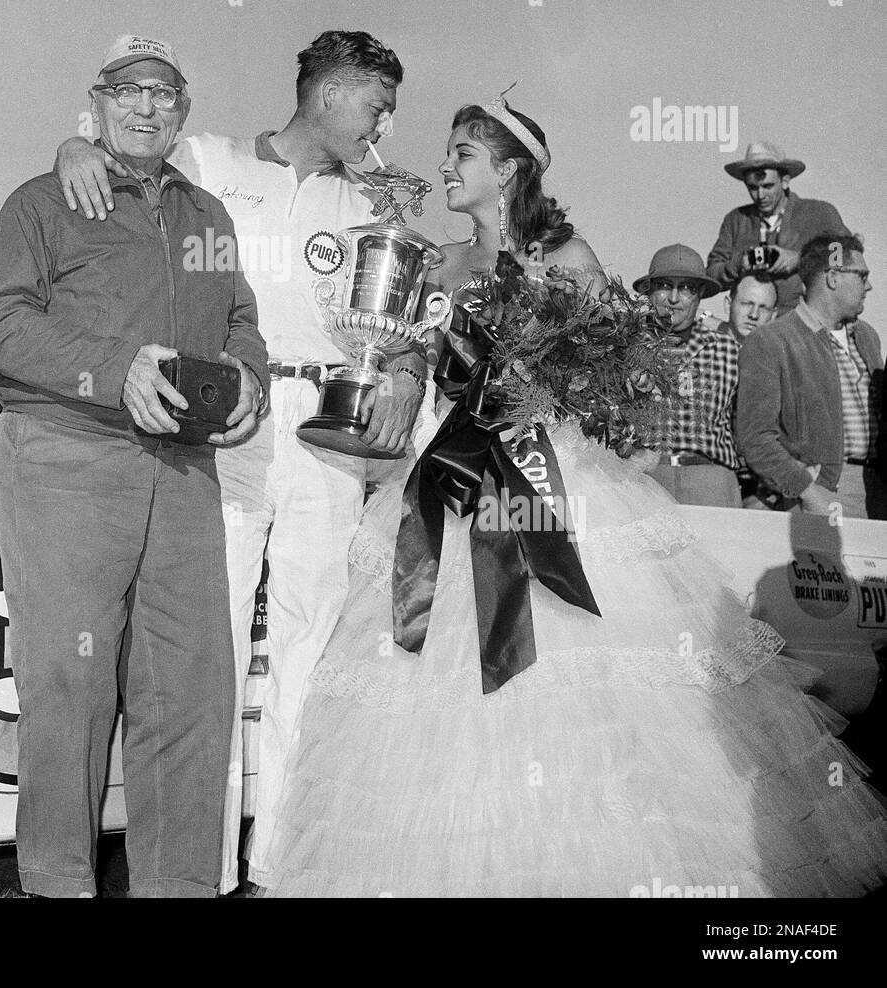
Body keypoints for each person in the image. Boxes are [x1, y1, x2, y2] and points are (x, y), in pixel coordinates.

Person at [264, 99, 887, 897]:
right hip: (454, 478)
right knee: (434, 671)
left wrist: (546, 390)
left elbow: (614, 380)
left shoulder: (570, 258)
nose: (447, 166)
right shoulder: (440, 263)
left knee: (587, 674)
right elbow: (412, 361)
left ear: (509, 169)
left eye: (462, 153)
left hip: (554, 476)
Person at [55, 30, 426, 892]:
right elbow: (115, 146)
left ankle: (278, 868)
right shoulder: (209, 157)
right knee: (203, 651)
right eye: (378, 108)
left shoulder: (373, 204)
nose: (383, 130)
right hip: (222, 420)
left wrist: (406, 371)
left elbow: (413, 317)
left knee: (309, 649)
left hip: (331, 430)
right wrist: (73, 143)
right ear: (330, 95)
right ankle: (196, 870)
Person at [0, 35, 269, 898]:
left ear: (183, 112)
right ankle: (57, 885)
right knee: (69, 686)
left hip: (182, 472)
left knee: (191, 694)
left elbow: (240, 315)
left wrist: (247, 374)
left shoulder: (208, 216)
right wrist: (117, 369)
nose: (146, 106)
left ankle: (176, 889)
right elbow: (0, 327)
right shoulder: (41, 202)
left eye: (165, 93)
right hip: (65, 457)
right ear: (96, 105)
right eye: (128, 91)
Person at [736, 234, 883, 520]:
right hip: (823, 494)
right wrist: (807, 490)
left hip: (878, 491)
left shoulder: (867, 337)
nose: (869, 285)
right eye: (862, 275)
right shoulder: (771, 341)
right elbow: (755, 438)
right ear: (833, 277)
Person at [635, 244, 735, 506]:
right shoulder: (626, 346)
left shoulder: (726, 348)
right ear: (649, 291)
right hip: (644, 479)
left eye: (687, 288)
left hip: (710, 479)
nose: (674, 298)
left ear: (700, 295)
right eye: (665, 286)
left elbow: (749, 426)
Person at [706, 141, 847, 314]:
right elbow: (711, 276)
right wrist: (739, 264)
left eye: (768, 186)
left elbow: (846, 255)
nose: (760, 195)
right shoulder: (736, 220)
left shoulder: (819, 213)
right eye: (752, 187)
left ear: (785, 181)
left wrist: (800, 260)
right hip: (753, 329)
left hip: (805, 325)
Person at [677, 273, 779, 507]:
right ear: (728, 304)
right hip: (702, 475)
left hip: (754, 485)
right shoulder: (697, 347)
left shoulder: (773, 362)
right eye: (746, 303)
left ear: (774, 315)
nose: (753, 315)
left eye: (763, 308)